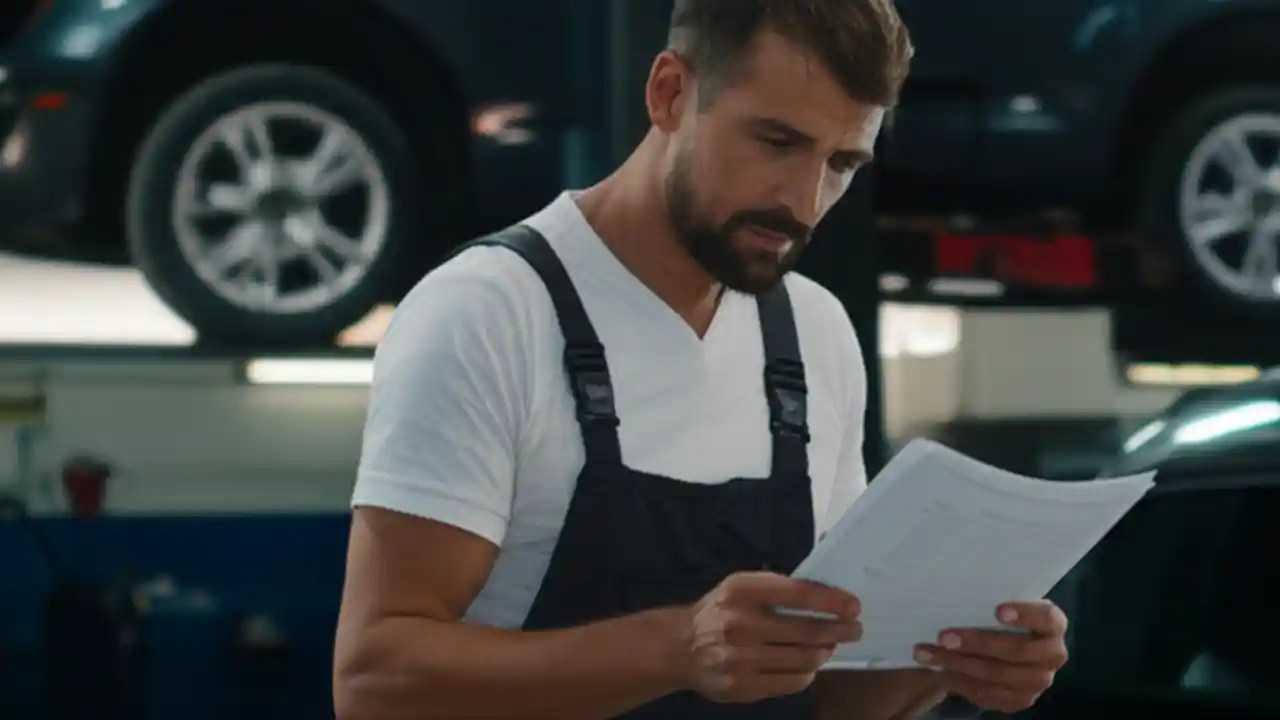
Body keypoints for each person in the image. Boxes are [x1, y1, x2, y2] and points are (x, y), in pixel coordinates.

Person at [333, 1, 1070, 717]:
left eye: (843, 162)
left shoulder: (814, 333)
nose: (804, 201)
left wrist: (949, 659)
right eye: (777, 142)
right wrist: (676, 647)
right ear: (671, 93)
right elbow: (375, 682)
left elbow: (830, 696)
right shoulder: (489, 312)